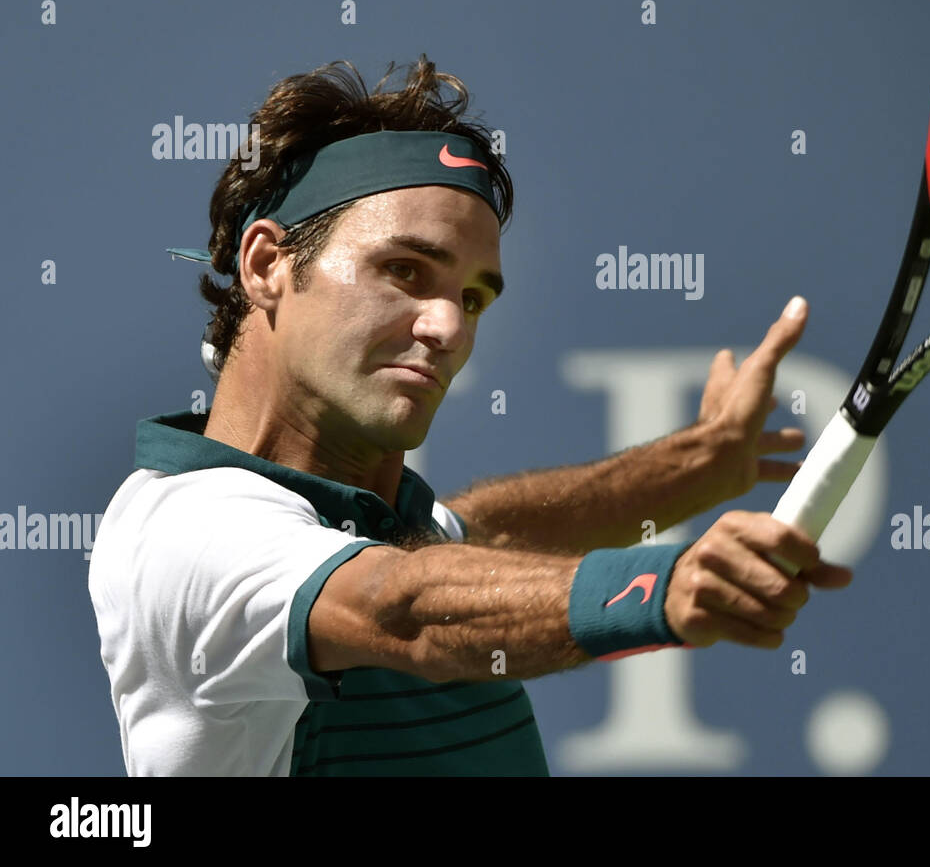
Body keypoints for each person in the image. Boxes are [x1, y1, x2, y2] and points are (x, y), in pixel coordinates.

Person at [89, 56, 851, 776]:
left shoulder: (353, 525)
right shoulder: (187, 533)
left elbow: (472, 537)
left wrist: (696, 462)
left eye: (472, 297)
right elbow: (403, 607)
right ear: (267, 265)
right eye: (404, 271)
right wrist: (660, 588)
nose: (449, 329)